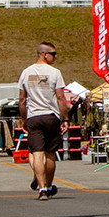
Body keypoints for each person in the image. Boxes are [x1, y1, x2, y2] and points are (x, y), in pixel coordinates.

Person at [18, 40, 68, 199]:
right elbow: (60, 97)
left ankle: (42, 189)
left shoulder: (26, 72)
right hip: (51, 115)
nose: (55, 57)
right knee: (50, 153)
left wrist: (24, 118)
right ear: (44, 55)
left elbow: (22, 99)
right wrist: (65, 118)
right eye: (53, 54)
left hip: (34, 116)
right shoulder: (55, 73)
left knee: (37, 153)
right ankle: (48, 184)